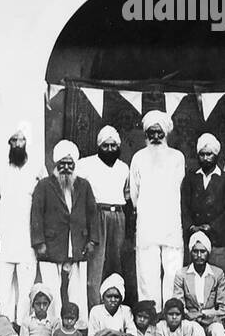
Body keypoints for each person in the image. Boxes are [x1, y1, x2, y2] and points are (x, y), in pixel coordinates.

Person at [30, 140, 98, 313]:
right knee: (51, 286)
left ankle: (79, 324)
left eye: (70, 164)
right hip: (52, 243)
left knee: (77, 287)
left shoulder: (84, 185)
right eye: (62, 164)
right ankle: (53, 324)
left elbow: (92, 213)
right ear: (56, 164)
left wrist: (92, 240)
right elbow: (36, 214)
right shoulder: (44, 185)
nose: (66, 167)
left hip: (77, 242)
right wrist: (39, 243)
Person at [0, 123, 45, 325]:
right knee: (3, 285)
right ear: (9, 143)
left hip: (29, 234)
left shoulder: (37, 165)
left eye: (22, 140)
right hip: (5, 231)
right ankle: (3, 326)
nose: (18, 144)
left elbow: (46, 196)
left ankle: (22, 329)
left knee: (26, 286)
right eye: (15, 140)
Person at [128, 110, 187, 305]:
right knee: (146, 274)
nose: (155, 137)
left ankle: (171, 316)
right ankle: (150, 315)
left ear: (166, 133)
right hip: (147, 223)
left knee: (173, 273)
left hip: (171, 223)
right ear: (145, 134)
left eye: (159, 133)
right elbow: (134, 193)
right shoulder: (138, 158)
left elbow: (180, 188)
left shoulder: (177, 157)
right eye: (151, 133)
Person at [76, 125, 132, 309]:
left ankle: (115, 309)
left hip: (118, 217)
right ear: (99, 146)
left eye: (113, 146)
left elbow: (127, 195)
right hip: (96, 216)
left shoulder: (124, 168)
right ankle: (94, 309)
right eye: (105, 146)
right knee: (96, 267)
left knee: (116, 264)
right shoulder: (86, 164)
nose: (109, 149)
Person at [180, 133, 225, 272]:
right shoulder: (190, 179)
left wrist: (211, 227)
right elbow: (184, 207)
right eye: (202, 154)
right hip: (195, 240)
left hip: (219, 242)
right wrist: (191, 227)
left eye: (209, 154)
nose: (205, 158)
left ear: (216, 155)